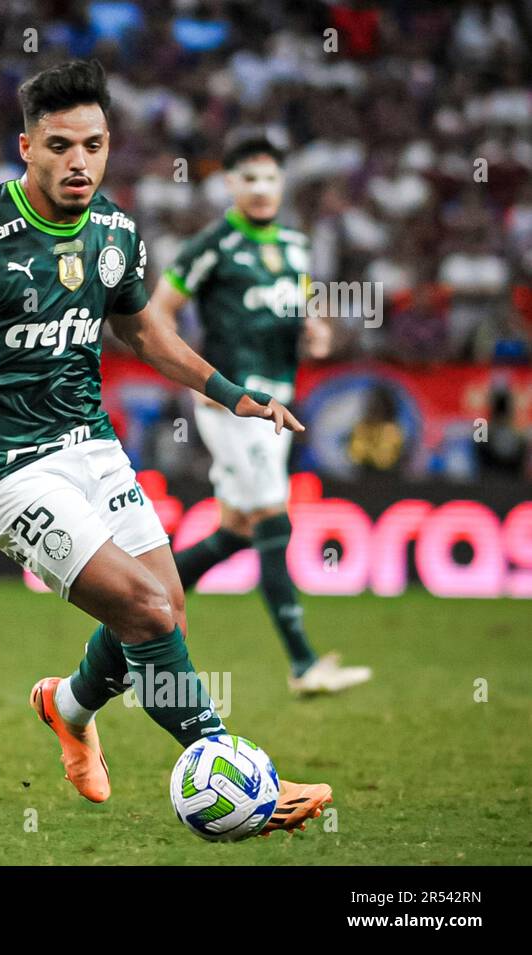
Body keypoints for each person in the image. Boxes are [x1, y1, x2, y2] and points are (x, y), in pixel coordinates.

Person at [0, 59, 328, 833]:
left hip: (89, 444)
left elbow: (145, 332)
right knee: (148, 613)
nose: (78, 160)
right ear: (27, 148)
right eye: (59, 145)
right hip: (0, 468)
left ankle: (68, 705)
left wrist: (234, 394)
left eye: (93, 144)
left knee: (168, 610)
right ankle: (239, 775)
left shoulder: (116, 231)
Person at [147, 128, 372, 695]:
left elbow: (302, 310)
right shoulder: (212, 245)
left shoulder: (296, 244)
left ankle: (141, 605)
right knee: (274, 517)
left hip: (280, 402)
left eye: (271, 177)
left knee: (237, 530)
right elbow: (157, 314)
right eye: (249, 177)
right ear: (229, 184)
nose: (262, 187)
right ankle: (303, 665)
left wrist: (316, 332)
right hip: (235, 405)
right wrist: (196, 377)